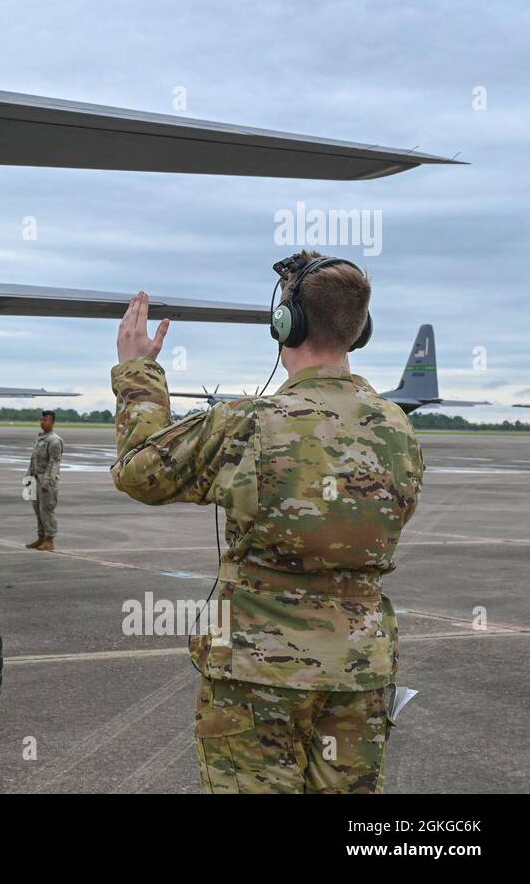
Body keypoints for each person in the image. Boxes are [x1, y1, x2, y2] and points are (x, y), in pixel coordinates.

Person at [108, 254, 424, 793]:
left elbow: (139, 471)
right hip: (361, 672)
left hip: (258, 674)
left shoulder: (251, 423)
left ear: (287, 324)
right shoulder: (399, 429)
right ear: (359, 330)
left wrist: (140, 373)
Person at [27, 410, 64, 551]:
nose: (43, 422)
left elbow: (54, 463)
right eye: (41, 419)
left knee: (46, 511)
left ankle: (49, 539)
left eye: (46, 420)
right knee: (38, 510)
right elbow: (33, 460)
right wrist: (28, 477)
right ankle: (41, 537)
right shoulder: (40, 438)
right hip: (35, 479)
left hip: (46, 481)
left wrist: (47, 483)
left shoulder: (54, 440)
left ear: (53, 422)